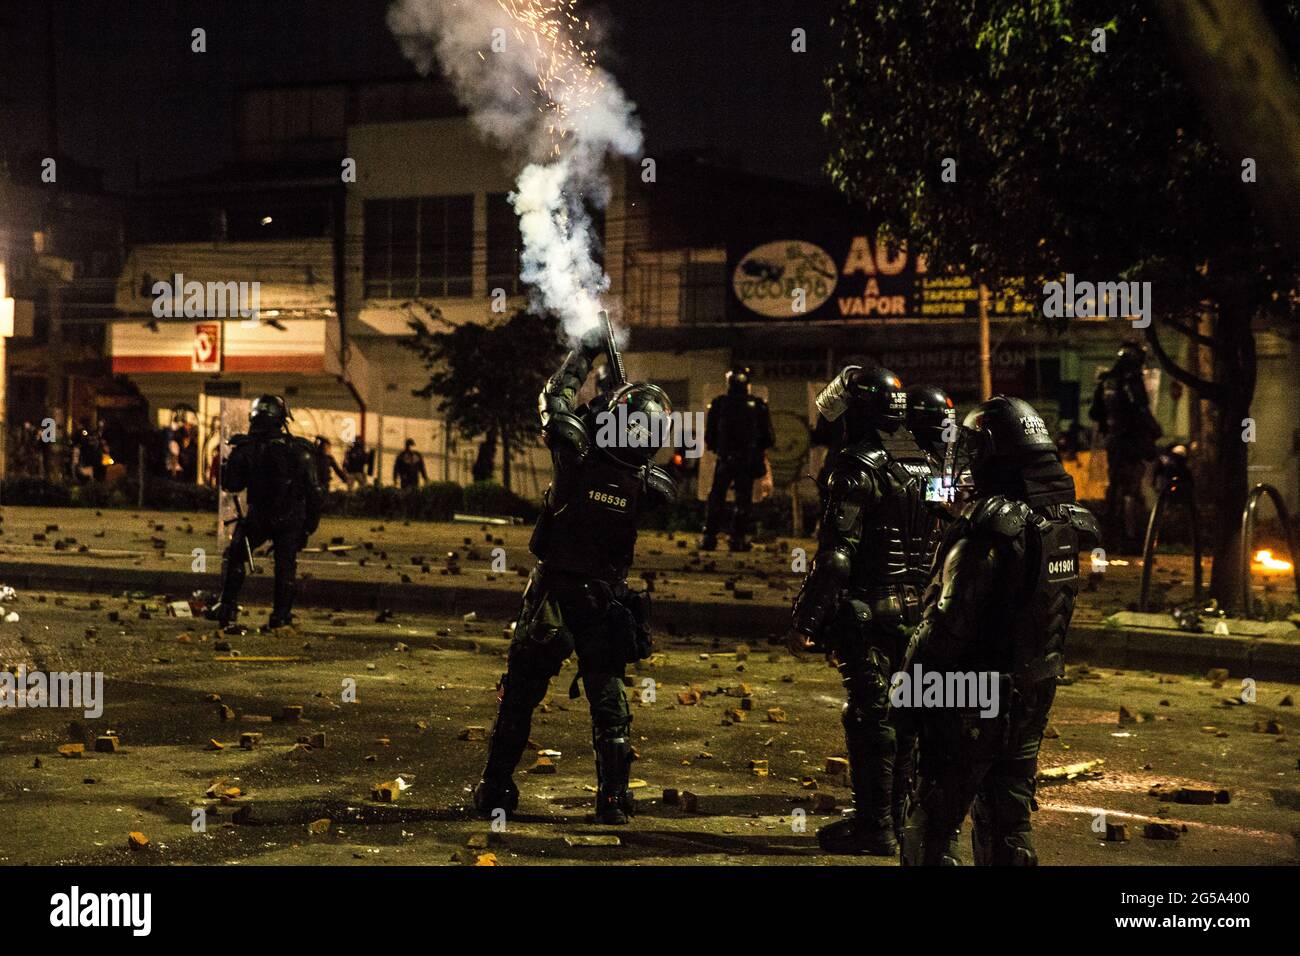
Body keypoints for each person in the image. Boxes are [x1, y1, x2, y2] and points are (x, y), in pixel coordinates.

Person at [472, 331, 676, 825]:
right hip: (604, 597)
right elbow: (633, 461)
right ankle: (611, 801)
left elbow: (554, 399)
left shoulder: (577, 454)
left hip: (554, 592)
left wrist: (585, 352)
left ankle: (496, 789)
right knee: (609, 700)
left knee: (520, 693)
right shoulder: (651, 487)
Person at [898, 396, 1099, 866]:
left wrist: (905, 696)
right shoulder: (1062, 526)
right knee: (1009, 822)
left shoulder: (988, 536)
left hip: (970, 694)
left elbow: (944, 633)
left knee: (931, 825)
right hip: (1033, 691)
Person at [785, 363, 945, 855]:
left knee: (870, 717)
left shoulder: (856, 465)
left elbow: (836, 557)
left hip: (869, 610)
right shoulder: (929, 463)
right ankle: (895, 822)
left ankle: (875, 827)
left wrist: (805, 619)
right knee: (908, 716)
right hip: (921, 611)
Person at [207, 395, 323, 633]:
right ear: (282, 419)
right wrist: (309, 526)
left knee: (236, 554)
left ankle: (227, 606)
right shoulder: (301, 449)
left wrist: (231, 463)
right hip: (291, 518)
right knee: (285, 566)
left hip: (260, 516)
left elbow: (231, 485)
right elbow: (314, 492)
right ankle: (281, 617)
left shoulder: (247, 448)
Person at [1089, 343, 1161, 553]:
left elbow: (1095, 413)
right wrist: (1155, 430)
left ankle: (1109, 538)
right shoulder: (1131, 381)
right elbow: (1141, 409)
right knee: (1132, 489)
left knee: (1114, 488)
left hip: (1113, 442)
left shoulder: (1106, 381)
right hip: (1132, 442)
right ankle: (1132, 540)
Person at [702, 366, 775, 551]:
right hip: (747, 460)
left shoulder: (719, 404)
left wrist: (718, 448)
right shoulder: (758, 405)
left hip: (725, 458)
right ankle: (737, 539)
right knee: (743, 500)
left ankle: (709, 538)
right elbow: (768, 437)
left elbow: (710, 435)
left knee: (717, 497)